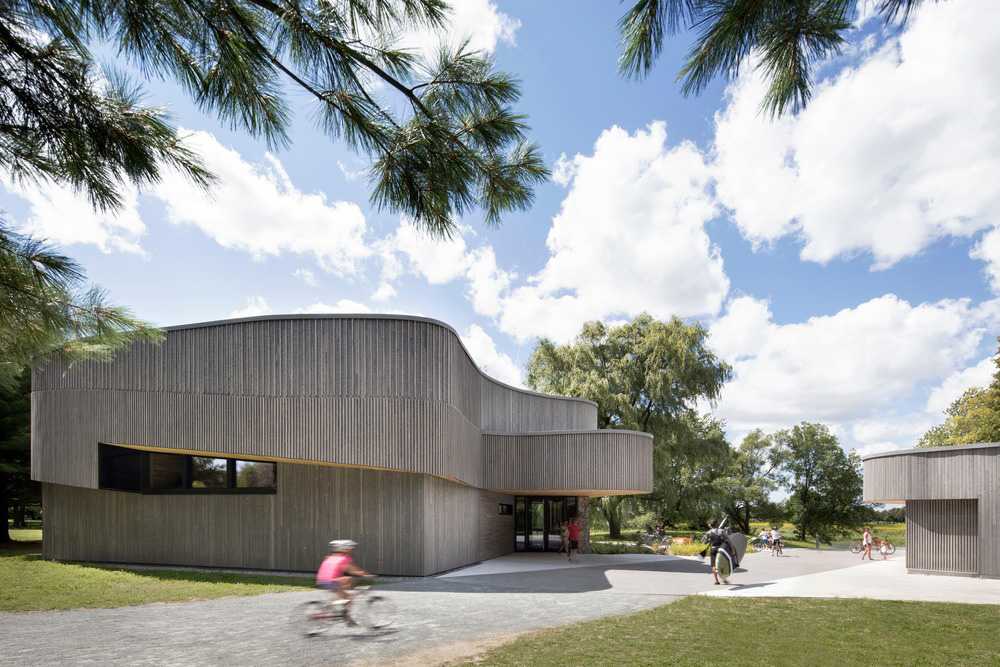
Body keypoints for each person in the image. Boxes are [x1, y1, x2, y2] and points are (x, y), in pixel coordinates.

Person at [315, 539, 369, 615]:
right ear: (345, 549)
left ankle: (335, 605)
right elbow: (352, 570)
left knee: (343, 590)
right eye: (350, 548)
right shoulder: (344, 558)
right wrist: (365, 574)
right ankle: (345, 615)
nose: (351, 550)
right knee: (348, 592)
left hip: (321, 580)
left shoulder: (330, 557)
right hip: (331, 581)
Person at [702, 520, 738, 585]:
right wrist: (732, 548)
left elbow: (704, 542)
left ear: (711, 525)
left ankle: (717, 581)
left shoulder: (708, 532)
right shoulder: (721, 531)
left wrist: (709, 539)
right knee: (723, 563)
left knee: (713, 566)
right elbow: (728, 540)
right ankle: (723, 578)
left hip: (713, 550)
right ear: (717, 524)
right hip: (721, 550)